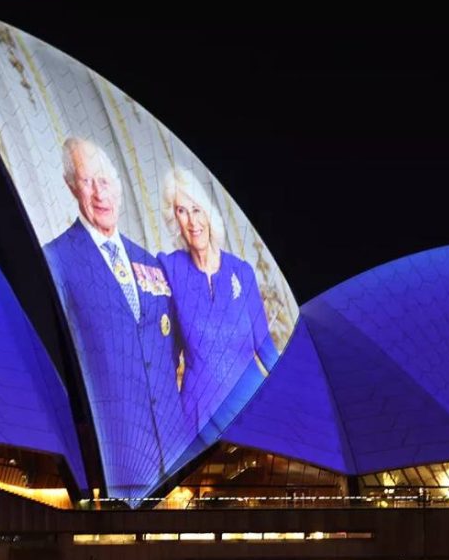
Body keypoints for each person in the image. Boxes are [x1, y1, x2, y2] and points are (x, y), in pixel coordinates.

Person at [43, 137, 187, 500]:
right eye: (87, 181)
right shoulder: (57, 260)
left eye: (105, 181)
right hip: (114, 458)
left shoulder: (149, 262)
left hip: (175, 454)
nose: (99, 193)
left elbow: (169, 351)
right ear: (71, 186)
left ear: (119, 187)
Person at [157, 167, 279, 439]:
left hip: (251, 411)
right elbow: (166, 355)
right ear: (174, 219)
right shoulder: (169, 268)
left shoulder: (242, 272)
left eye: (196, 209)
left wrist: (296, 395)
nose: (192, 221)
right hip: (199, 423)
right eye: (181, 211)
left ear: (208, 212)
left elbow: (266, 349)